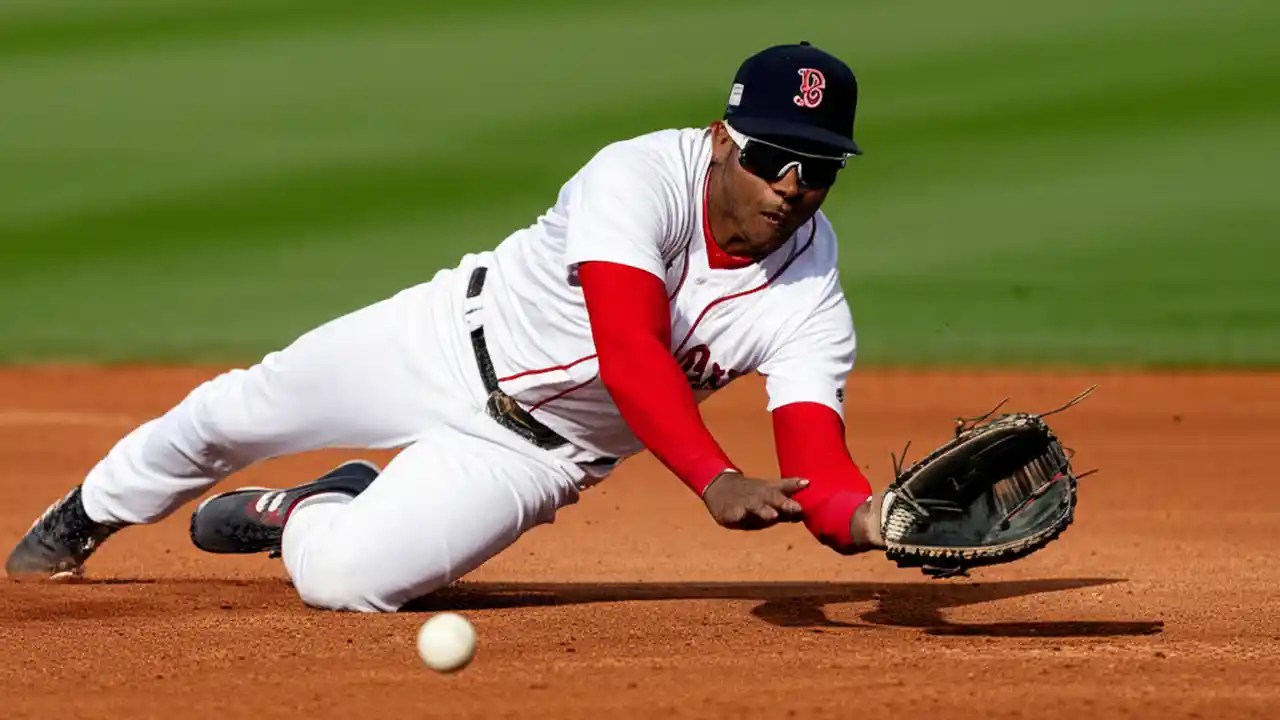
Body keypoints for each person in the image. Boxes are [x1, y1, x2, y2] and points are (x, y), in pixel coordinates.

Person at [7, 41, 887, 612]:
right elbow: (628, 349)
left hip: (537, 457)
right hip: (438, 341)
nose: (792, 186)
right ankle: (85, 515)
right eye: (774, 157)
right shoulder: (638, 175)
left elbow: (818, 461)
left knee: (348, 582)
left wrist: (873, 519)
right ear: (722, 139)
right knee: (232, 413)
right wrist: (715, 477)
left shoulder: (810, 292)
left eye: (819, 170)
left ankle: (309, 509)